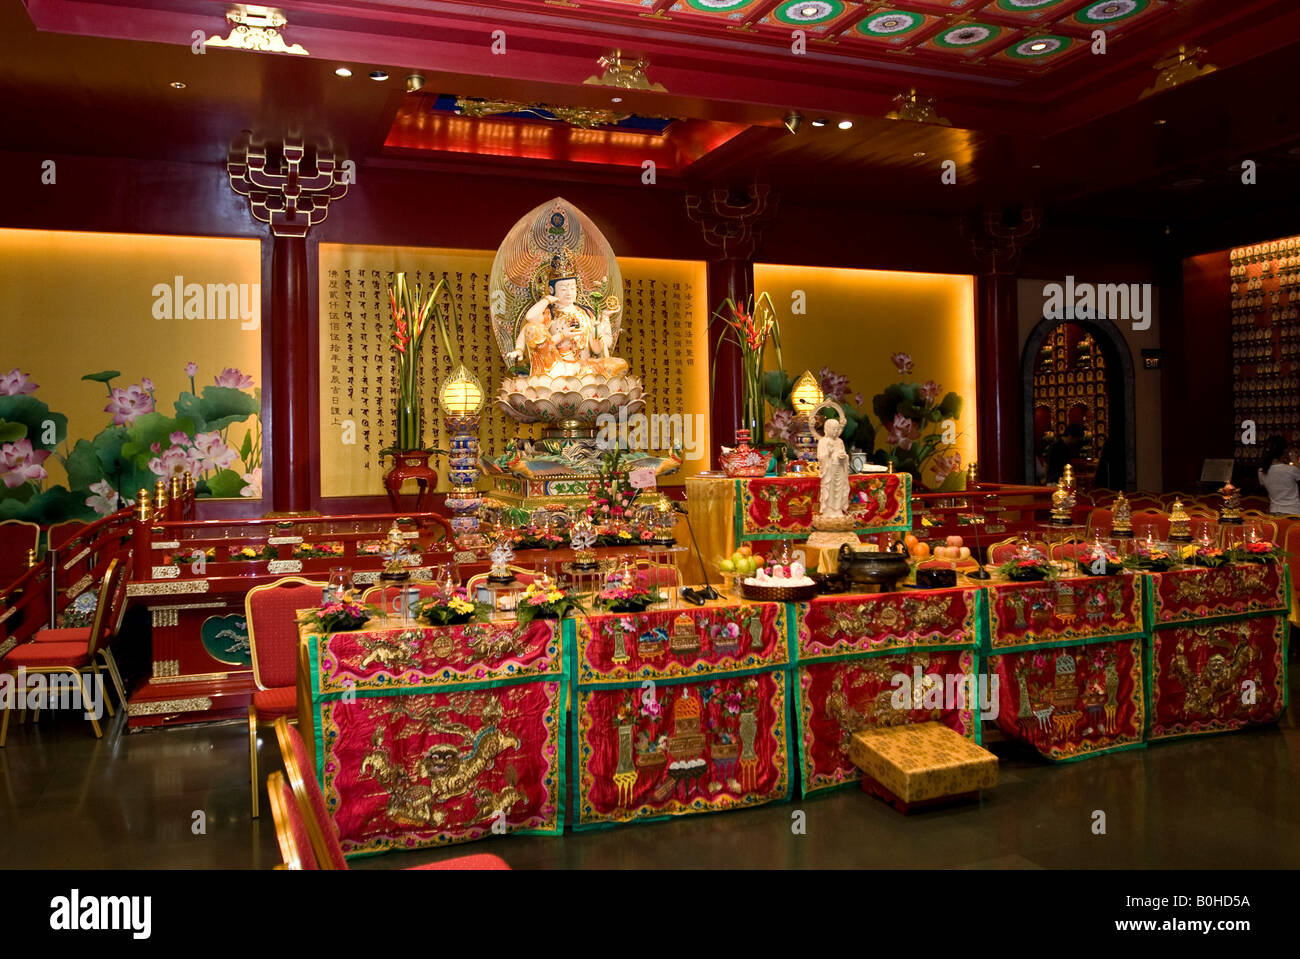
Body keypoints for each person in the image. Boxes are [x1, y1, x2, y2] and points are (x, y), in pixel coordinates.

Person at [1257, 435, 1300, 515]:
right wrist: (1295, 461)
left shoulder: (1261, 471)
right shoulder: (1291, 470)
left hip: (1274, 511)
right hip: (1294, 512)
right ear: (1284, 451)